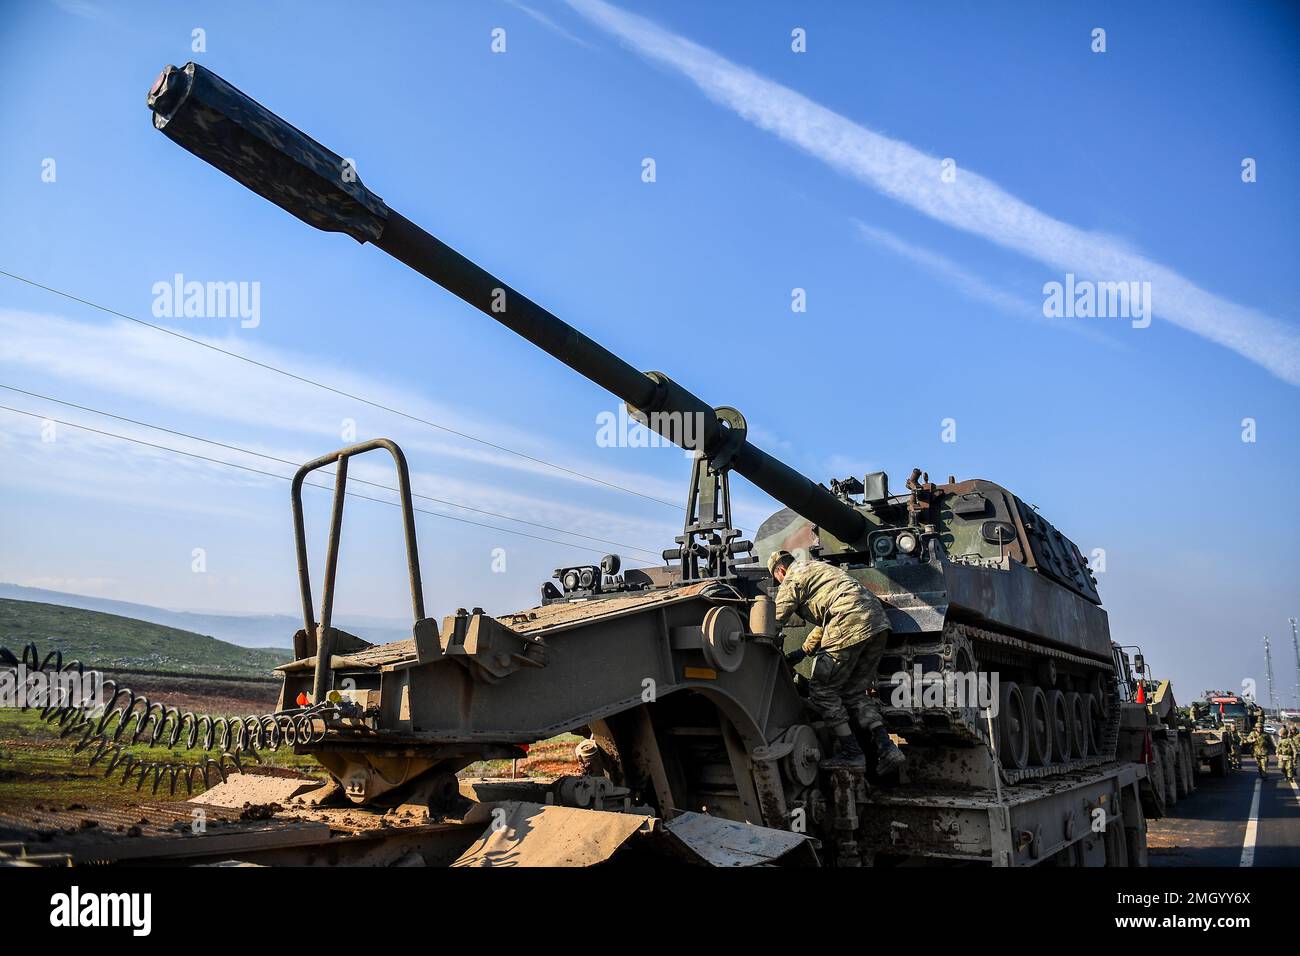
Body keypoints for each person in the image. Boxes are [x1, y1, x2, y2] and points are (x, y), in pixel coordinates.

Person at [768, 549, 906, 774]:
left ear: (780, 570)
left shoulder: (792, 577)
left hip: (847, 621)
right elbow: (825, 620)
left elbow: (776, 618)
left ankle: (852, 753)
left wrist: (759, 639)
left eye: (777, 578)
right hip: (877, 623)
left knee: (822, 690)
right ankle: (887, 747)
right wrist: (802, 652)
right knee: (853, 692)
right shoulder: (820, 570)